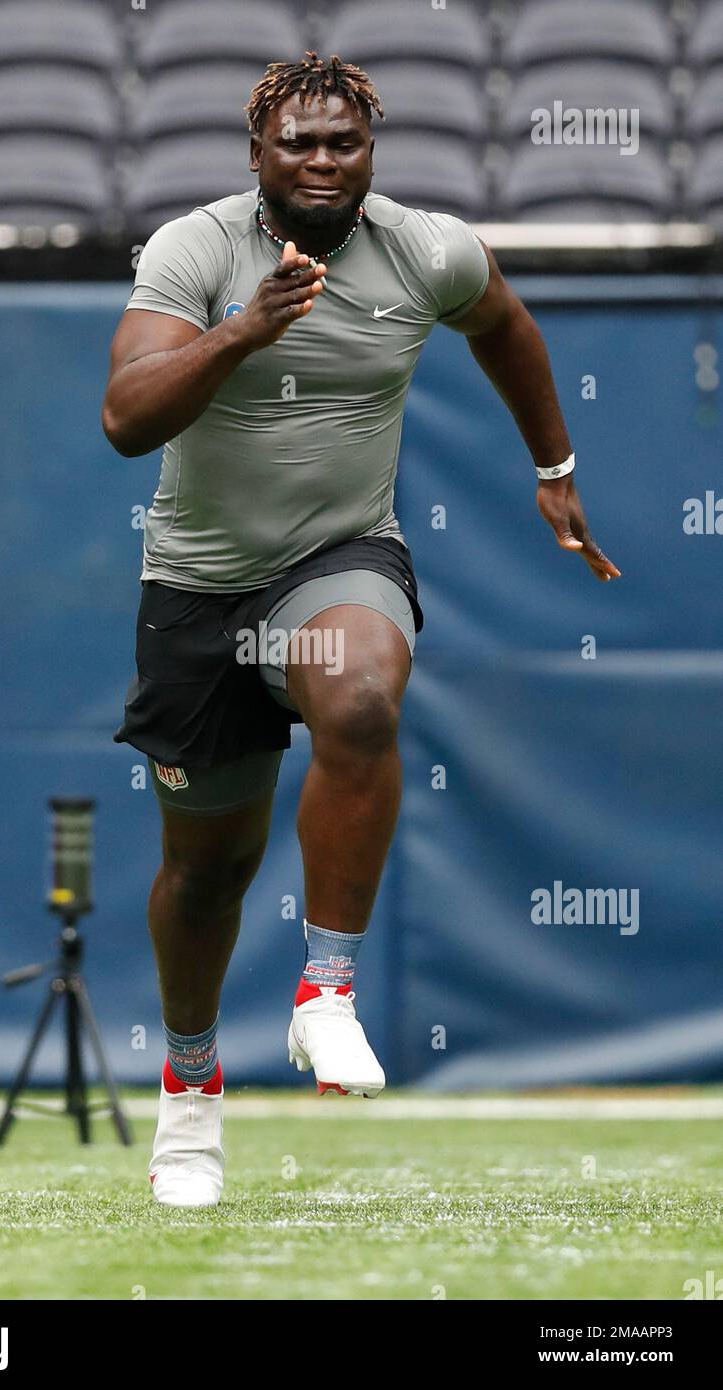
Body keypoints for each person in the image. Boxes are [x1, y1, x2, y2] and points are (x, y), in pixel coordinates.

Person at [102, 52, 620, 1207]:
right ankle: (191, 1094)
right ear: (257, 157)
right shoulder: (194, 249)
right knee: (205, 876)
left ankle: (323, 993)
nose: (325, 161)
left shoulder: (422, 247)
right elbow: (125, 419)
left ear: (368, 153)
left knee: (364, 692)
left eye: (345, 143)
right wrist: (242, 332)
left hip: (338, 555)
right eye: (301, 144)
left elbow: (506, 323)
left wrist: (554, 467)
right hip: (196, 589)